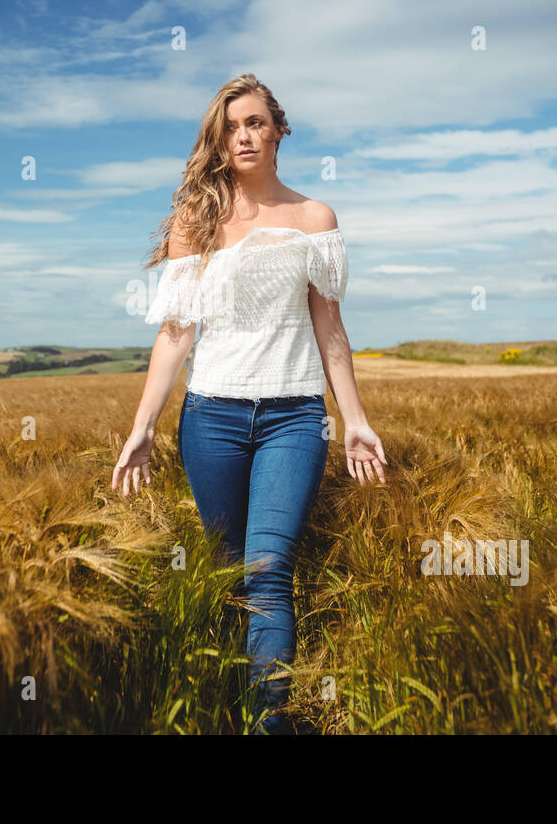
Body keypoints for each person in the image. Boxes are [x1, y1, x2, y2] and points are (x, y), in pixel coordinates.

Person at [112, 72, 387, 734]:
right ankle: (224, 700)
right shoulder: (197, 221)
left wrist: (355, 421)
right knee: (229, 572)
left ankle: (271, 722)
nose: (244, 134)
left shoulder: (314, 219)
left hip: (294, 417)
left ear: (279, 130)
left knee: (267, 573)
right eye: (231, 125)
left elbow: (330, 328)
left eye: (256, 122)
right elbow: (175, 333)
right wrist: (143, 426)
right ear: (218, 137)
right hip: (212, 420)